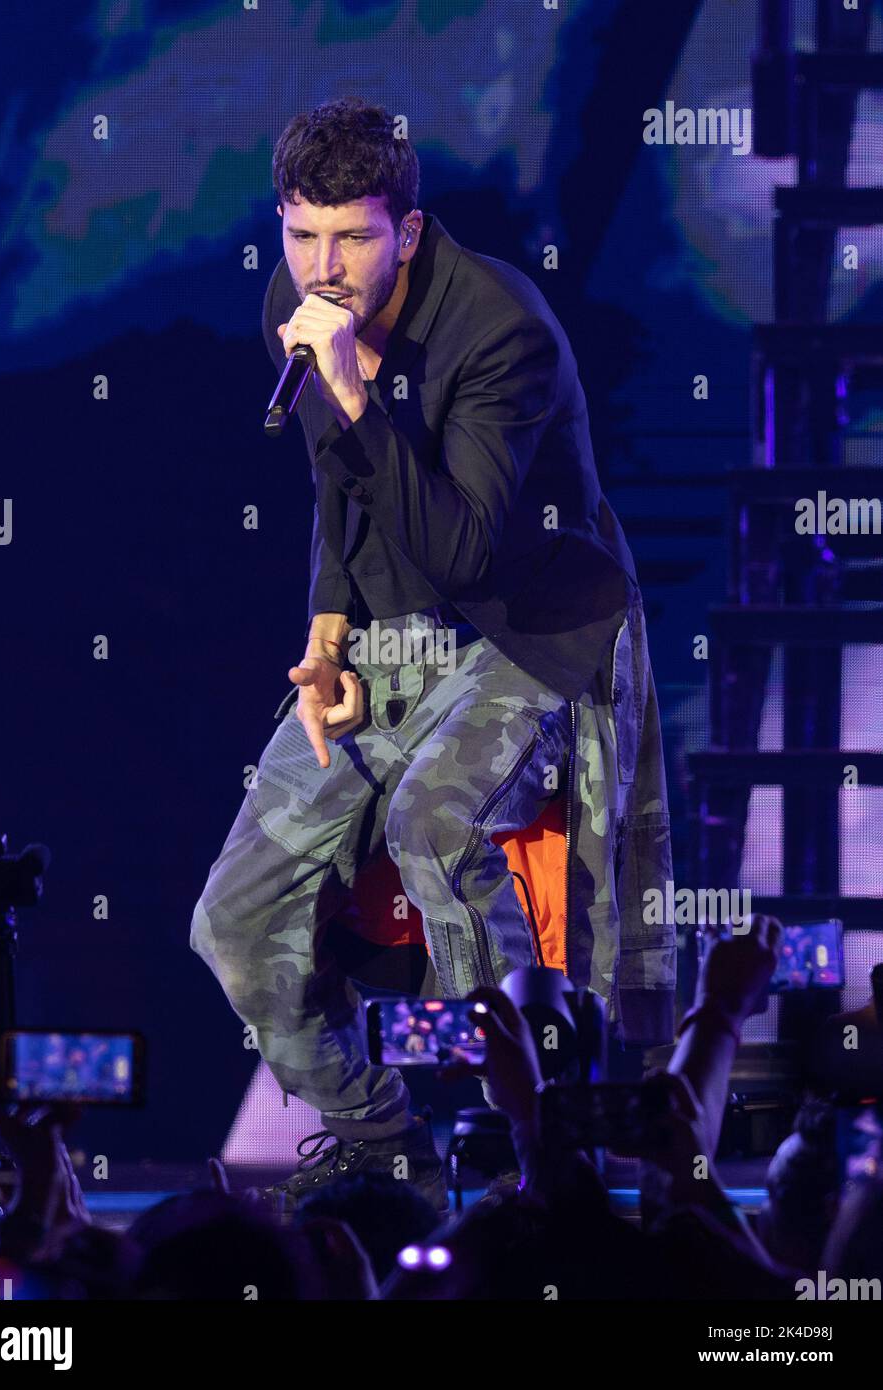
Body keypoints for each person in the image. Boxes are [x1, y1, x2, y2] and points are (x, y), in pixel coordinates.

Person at [189, 96, 675, 1215]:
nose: (323, 266)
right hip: (386, 631)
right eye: (301, 235)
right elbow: (336, 488)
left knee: (432, 820)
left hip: (531, 630)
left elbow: (464, 550)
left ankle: (528, 1132)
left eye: (352, 236)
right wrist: (324, 629)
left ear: (405, 232)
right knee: (231, 917)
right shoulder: (294, 302)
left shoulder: (498, 327)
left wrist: (357, 386)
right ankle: (382, 1133)